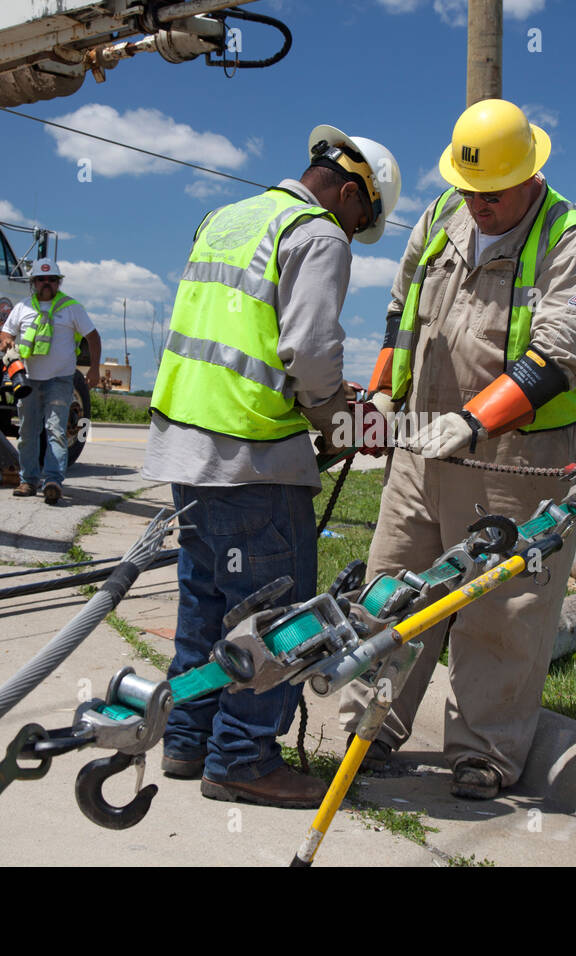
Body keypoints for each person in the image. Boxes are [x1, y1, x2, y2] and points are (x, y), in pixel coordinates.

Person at [340, 99, 576, 800]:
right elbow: (401, 315)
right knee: (392, 589)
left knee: (503, 610)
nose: (478, 206)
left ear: (529, 175)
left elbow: (557, 357)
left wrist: (471, 419)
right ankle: (369, 726)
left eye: (491, 195)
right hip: (421, 450)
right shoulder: (440, 218)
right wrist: (378, 396)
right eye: (469, 191)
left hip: (518, 461)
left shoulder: (574, 241)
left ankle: (484, 752)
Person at [143, 126, 400, 809]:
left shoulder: (227, 219)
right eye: (360, 220)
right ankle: (242, 758)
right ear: (350, 194)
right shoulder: (317, 234)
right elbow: (310, 353)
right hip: (253, 457)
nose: (353, 234)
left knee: (206, 604)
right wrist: (342, 422)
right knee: (279, 618)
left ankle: (187, 737)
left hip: (187, 451)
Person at [0, 259, 101, 504]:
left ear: (59, 283)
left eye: (52, 280)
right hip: (28, 379)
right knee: (27, 432)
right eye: (41, 279)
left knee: (55, 430)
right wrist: (6, 341)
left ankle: (53, 480)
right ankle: (28, 481)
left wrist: (95, 369)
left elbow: (93, 337)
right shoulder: (23, 307)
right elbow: (6, 331)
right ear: (33, 283)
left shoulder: (71, 308)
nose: (47, 283)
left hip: (60, 379)